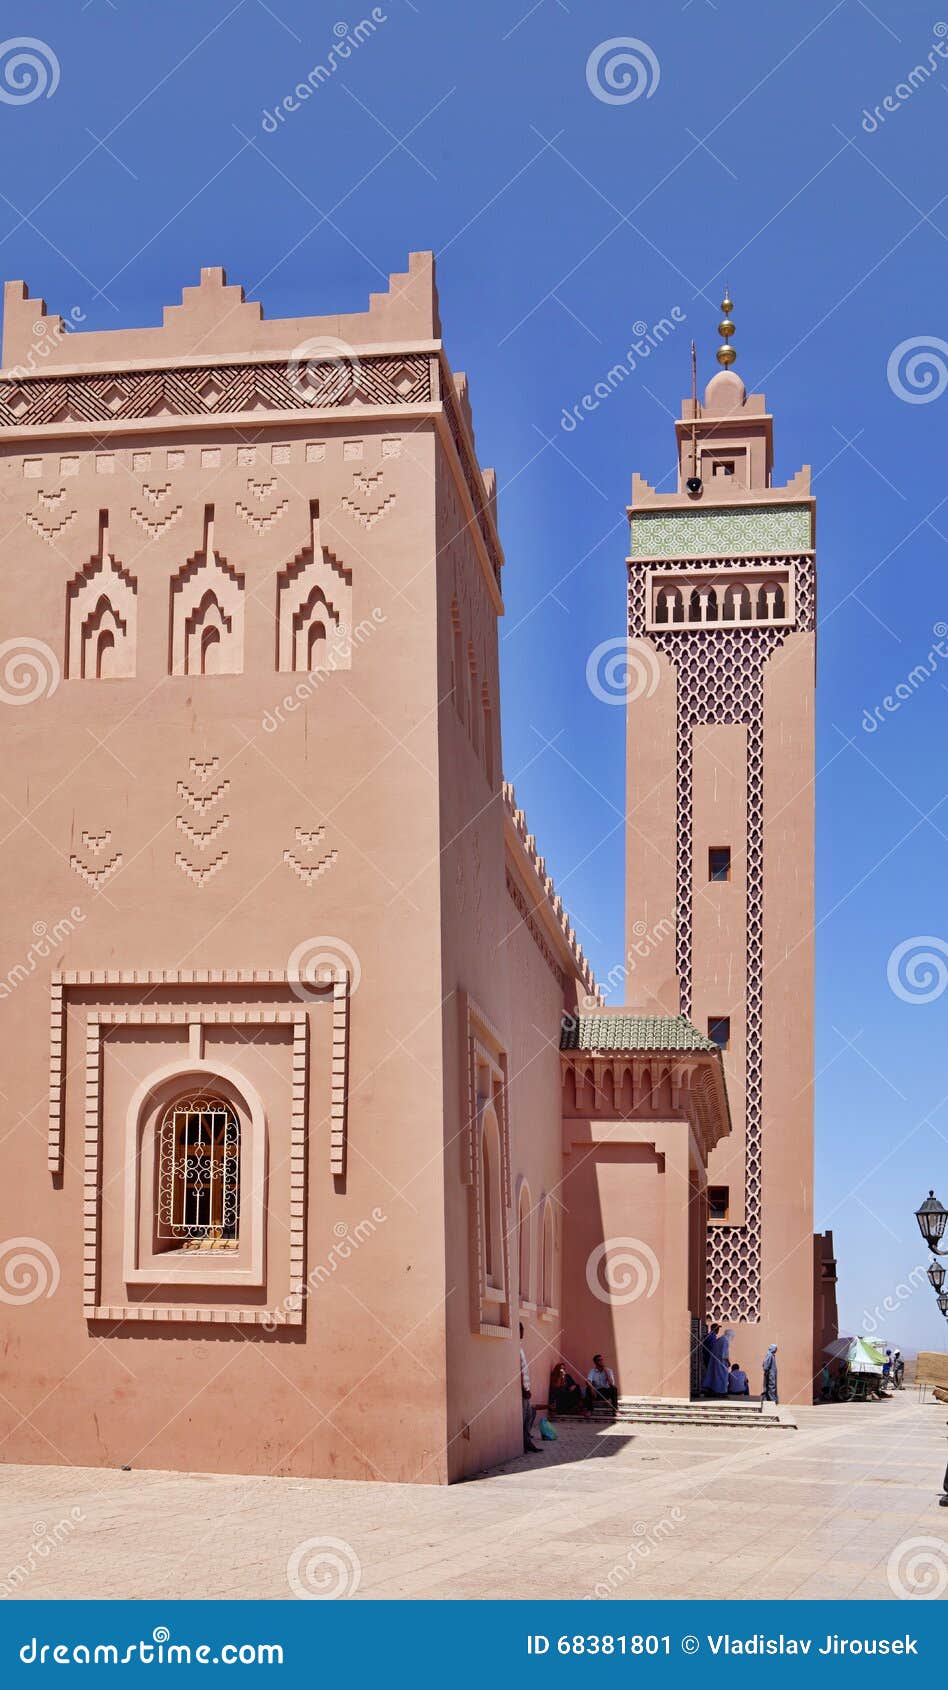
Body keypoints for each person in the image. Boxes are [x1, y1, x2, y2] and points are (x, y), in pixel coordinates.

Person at [520, 1323, 539, 1452]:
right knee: (524, 1418)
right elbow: (520, 1371)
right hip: (523, 1391)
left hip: (526, 1388)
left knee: (529, 1415)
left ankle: (527, 1442)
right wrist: (524, 1389)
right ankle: (525, 1444)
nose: (522, 1332)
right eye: (520, 1330)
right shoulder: (515, 1349)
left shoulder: (519, 1348)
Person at [703, 1326, 731, 1397]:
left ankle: (712, 1391)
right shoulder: (724, 1340)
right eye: (717, 1328)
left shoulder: (719, 1339)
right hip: (720, 1361)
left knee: (714, 1375)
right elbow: (724, 1354)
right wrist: (728, 1362)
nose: (718, 1330)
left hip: (714, 1360)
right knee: (721, 1376)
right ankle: (720, 1392)